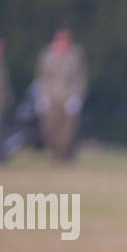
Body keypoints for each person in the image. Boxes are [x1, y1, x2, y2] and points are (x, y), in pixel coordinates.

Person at [35, 28, 88, 162]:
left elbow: (80, 78)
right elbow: (42, 77)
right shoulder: (47, 56)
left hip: (68, 98)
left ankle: (63, 156)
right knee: (50, 129)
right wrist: (42, 96)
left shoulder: (75, 56)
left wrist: (77, 97)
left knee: (67, 131)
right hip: (52, 98)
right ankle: (55, 153)